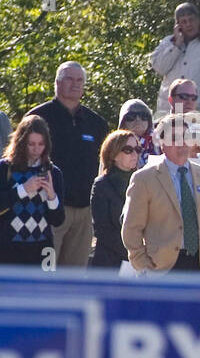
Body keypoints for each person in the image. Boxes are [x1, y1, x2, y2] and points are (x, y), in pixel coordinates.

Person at [26, 61, 108, 267]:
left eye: (80, 80)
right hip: (47, 208)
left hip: (84, 212)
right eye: (69, 79)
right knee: (44, 274)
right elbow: (20, 160)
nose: (75, 84)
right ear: (57, 83)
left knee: (74, 278)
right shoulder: (38, 118)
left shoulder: (96, 123)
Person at [121, 113, 200, 274]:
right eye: (174, 138)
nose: (181, 143)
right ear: (162, 143)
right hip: (161, 269)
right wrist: (143, 265)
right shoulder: (144, 178)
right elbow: (131, 229)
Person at [0, 115, 65, 265]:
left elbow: (58, 220)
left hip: (42, 249)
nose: (36, 149)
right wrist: (23, 189)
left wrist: (51, 196)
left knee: (44, 289)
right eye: (31, 144)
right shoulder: (5, 168)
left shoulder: (53, 172)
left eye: (41, 144)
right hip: (9, 248)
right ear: (21, 142)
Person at [149, 3, 200, 115]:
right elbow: (159, 68)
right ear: (178, 25)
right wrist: (176, 45)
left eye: (191, 20)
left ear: (198, 20)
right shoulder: (167, 43)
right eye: (184, 21)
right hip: (167, 111)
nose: (188, 24)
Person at [89, 130, 140, 269]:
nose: (135, 154)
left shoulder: (142, 183)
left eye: (137, 149)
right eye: (128, 150)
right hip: (109, 263)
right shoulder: (101, 185)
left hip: (138, 262)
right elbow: (102, 230)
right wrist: (133, 252)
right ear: (114, 154)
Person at [117, 99, 156, 163]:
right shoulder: (115, 145)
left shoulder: (160, 144)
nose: (138, 120)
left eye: (144, 116)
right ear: (123, 122)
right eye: (131, 116)